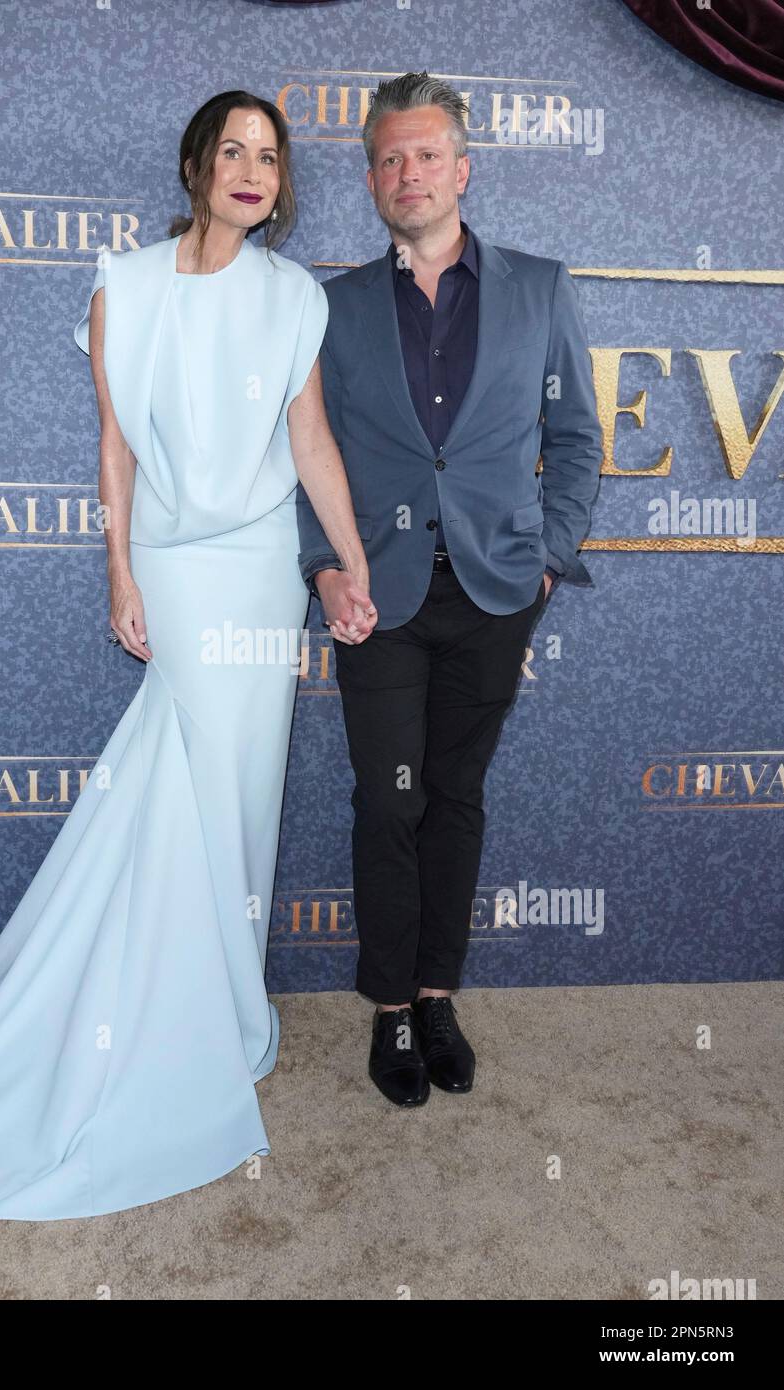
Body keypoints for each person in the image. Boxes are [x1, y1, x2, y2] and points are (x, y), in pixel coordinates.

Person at [0, 91, 376, 1219]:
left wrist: (349, 560)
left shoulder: (295, 298)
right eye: (233, 150)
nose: (253, 170)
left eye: (271, 156)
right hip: (177, 573)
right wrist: (120, 575)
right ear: (196, 165)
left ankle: (233, 1016)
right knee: (181, 790)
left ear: (283, 184)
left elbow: (309, 439)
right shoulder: (125, 285)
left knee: (242, 800)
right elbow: (112, 445)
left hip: (254, 571)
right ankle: (170, 1027)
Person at [296, 72, 602, 1108]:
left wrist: (546, 558)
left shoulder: (539, 288)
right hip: (374, 599)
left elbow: (574, 440)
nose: (406, 172)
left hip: (494, 590)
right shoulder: (330, 308)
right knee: (389, 803)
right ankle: (387, 1008)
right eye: (388, 158)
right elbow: (304, 453)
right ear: (372, 180)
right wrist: (323, 565)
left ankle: (436, 995)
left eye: (425, 155)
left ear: (461, 171)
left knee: (455, 798)